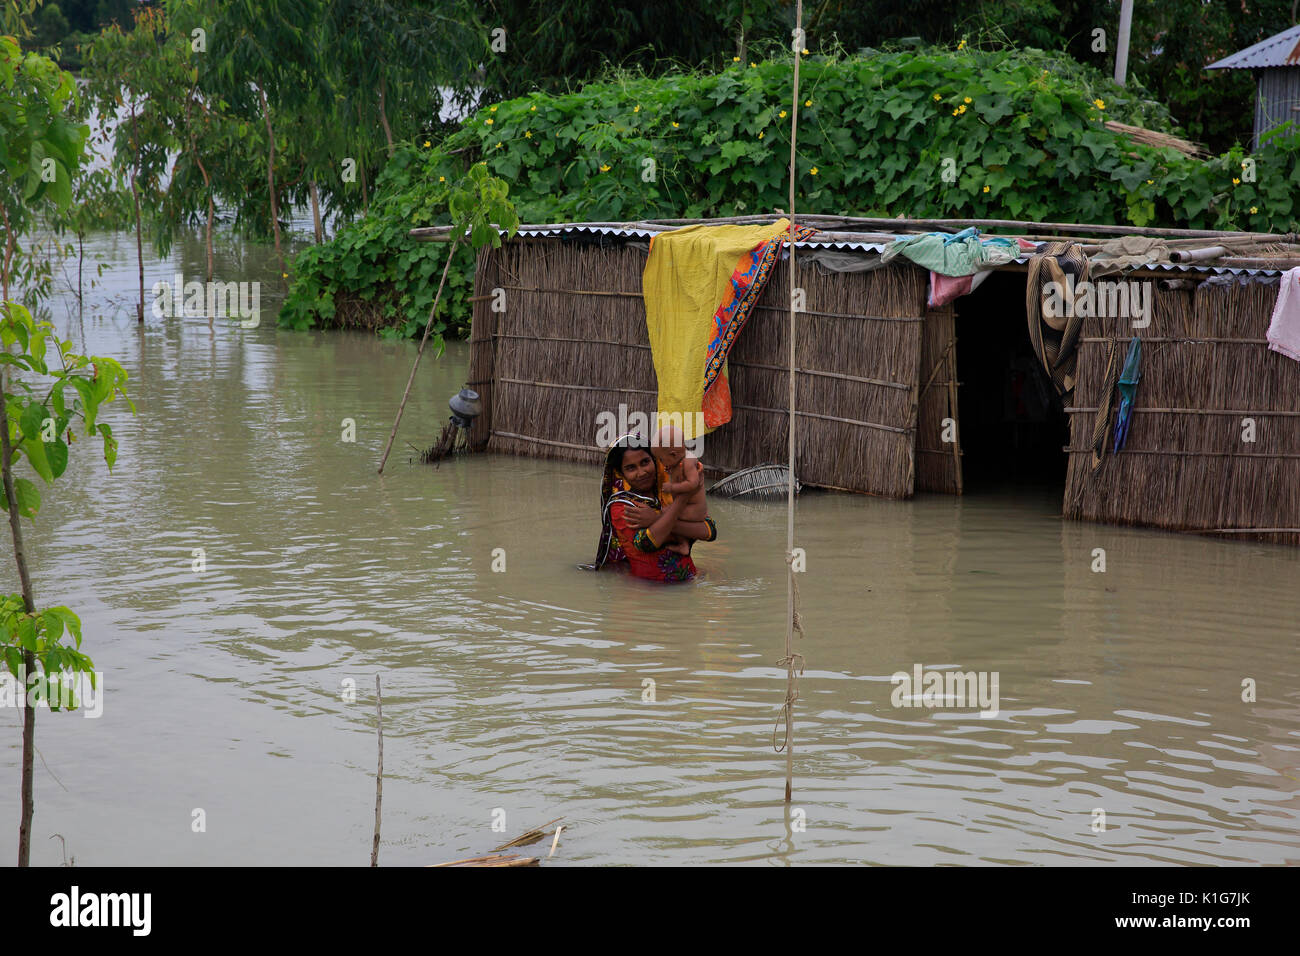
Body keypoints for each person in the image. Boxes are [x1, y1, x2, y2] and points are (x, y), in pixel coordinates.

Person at [579, 434, 717, 583]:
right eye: (631, 468)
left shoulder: (667, 493)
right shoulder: (621, 506)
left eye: (645, 462)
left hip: (688, 586)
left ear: (655, 460)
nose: (641, 472)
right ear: (621, 473)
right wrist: (683, 499)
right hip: (649, 594)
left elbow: (709, 530)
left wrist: (657, 519)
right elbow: (646, 543)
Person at [650, 424, 708, 555]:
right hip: (685, 506)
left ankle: (683, 545)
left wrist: (672, 487)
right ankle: (684, 543)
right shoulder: (676, 462)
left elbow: (693, 483)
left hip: (694, 509)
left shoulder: (688, 462)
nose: (660, 462)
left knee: (665, 515)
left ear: (673, 454)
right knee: (666, 513)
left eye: (661, 459)